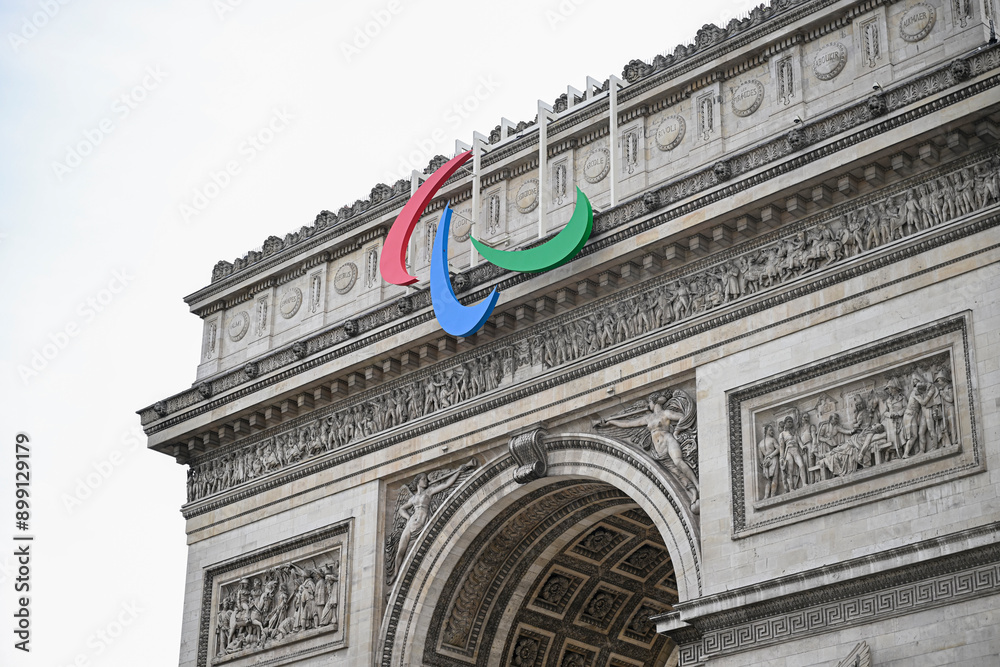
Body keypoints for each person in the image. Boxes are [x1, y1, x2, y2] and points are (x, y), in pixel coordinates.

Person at [757, 424, 780, 498]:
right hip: (772, 458)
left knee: (769, 480)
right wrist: (771, 456)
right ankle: (771, 495)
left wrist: (763, 463)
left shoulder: (760, 443)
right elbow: (778, 449)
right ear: (766, 431)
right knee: (773, 478)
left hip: (766, 460)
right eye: (770, 430)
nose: (772, 431)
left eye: (772, 430)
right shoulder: (772, 440)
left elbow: (760, 458)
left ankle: (767, 496)